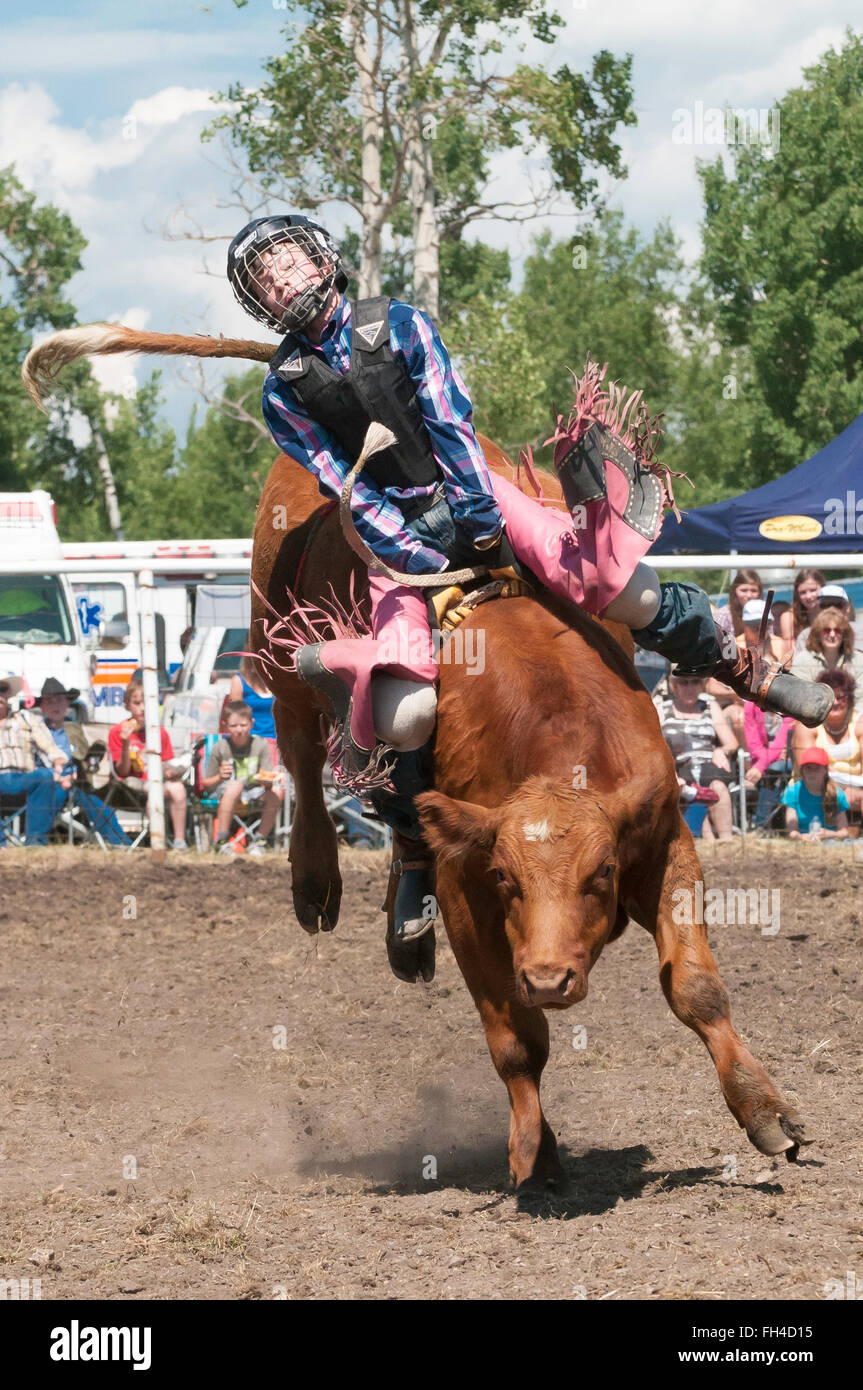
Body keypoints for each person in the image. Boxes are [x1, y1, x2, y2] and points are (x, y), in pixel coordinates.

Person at [227, 212, 832, 946]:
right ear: (258, 300)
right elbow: (341, 485)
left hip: (473, 490)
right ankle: (408, 828)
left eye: (286, 260)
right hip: (390, 543)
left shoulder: (400, 325)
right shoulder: (282, 393)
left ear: (320, 258)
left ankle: (746, 671)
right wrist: (412, 555)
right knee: (405, 714)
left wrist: (480, 517)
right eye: (265, 276)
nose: (282, 278)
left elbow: (450, 419)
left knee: (616, 586)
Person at [29, 677, 131, 847]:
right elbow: (31, 762)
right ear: (42, 706)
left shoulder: (77, 729)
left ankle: (121, 843)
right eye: (50, 702)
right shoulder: (35, 729)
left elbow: (86, 758)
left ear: (68, 704)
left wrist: (76, 774)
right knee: (46, 794)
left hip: (77, 781)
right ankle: (35, 842)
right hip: (48, 782)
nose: (56, 706)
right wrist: (55, 776)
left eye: (60, 701)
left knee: (96, 800)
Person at [107, 679, 188, 850]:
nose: (142, 708)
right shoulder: (118, 731)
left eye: (147, 702)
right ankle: (157, 841)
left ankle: (179, 841)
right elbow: (120, 772)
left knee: (178, 788)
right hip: (129, 785)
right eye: (137, 703)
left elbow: (166, 762)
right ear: (127, 705)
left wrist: (171, 770)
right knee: (154, 792)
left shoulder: (160, 733)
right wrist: (126, 743)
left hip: (155, 781)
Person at [658, 673, 739, 841]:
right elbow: (653, 745)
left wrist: (721, 751)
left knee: (718, 786)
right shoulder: (663, 709)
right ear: (675, 686)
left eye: (695, 682)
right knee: (685, 790)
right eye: (684, 682)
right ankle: (706, 840)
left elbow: (731, 743)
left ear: (702, 685)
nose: (690, 687)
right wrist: (669, 771)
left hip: (709, 763)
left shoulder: (710, 706)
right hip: (679, 767)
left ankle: (726, 841)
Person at [201, 700, 284, 854]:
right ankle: (222, 840)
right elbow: (206, 784)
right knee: (235, 785)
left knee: (277, 792)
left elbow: (267, 778)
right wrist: (220, 776)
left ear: (251, 724)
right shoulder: (220, 747)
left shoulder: (260, 744)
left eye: (243, 725)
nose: (239, 730)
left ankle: (259, 840)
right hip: (224, 792)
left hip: (253, 791)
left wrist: (268, 781)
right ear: (225, 726)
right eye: (233, 726)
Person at [0, 671, 70, 846]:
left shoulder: (26, 717)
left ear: (8, 694)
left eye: (2, 689)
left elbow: (48, 745)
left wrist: (58, 760)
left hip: (24, 777)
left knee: (46, 776)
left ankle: (35, 841)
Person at [793, 669, 863, 824]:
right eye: (831, 698)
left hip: (857, 786)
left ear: (850, 699)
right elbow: (807, 769)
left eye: (841, 697)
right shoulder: (806, 725)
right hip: (818, 784)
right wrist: (842, 790)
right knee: (844, 796)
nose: (836, 703)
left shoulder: (859, 722)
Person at [791, 608, 863, 708]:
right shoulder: (802, 660)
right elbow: (798, 697)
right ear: (818, 633)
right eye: (827, 630)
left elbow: (861, 700)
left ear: (844, 634)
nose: (832, 635)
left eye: (837, 630)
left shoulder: (858, 659)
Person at [781, 746, 849, 842]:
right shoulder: (792, 791)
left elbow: (844, 832)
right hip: (803, 843)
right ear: (802, 770)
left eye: (817, 768)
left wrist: (829, 834)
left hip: (830, 842)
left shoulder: (837, 794)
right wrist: (802, 837)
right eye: (808, 768)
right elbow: (792, 832)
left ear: (825, 770)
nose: (812, 772)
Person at [778, 568, 824, 656]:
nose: (808, 596)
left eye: (813, 590)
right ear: (797, 594)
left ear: (822, 588)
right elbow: (788, 657)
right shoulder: (789, 617)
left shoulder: (832, 613)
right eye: (803, 592)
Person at [229, 656, 277, 739]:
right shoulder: (238, 680)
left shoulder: (277, 680)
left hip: (277, 739)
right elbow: (234, 715)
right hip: (251, 739)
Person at [715, 569, 763, 640]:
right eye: (744, 590)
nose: (749, 595)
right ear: (734, 591)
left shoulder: (765, 614)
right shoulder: (724, 615)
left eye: (753, 591)